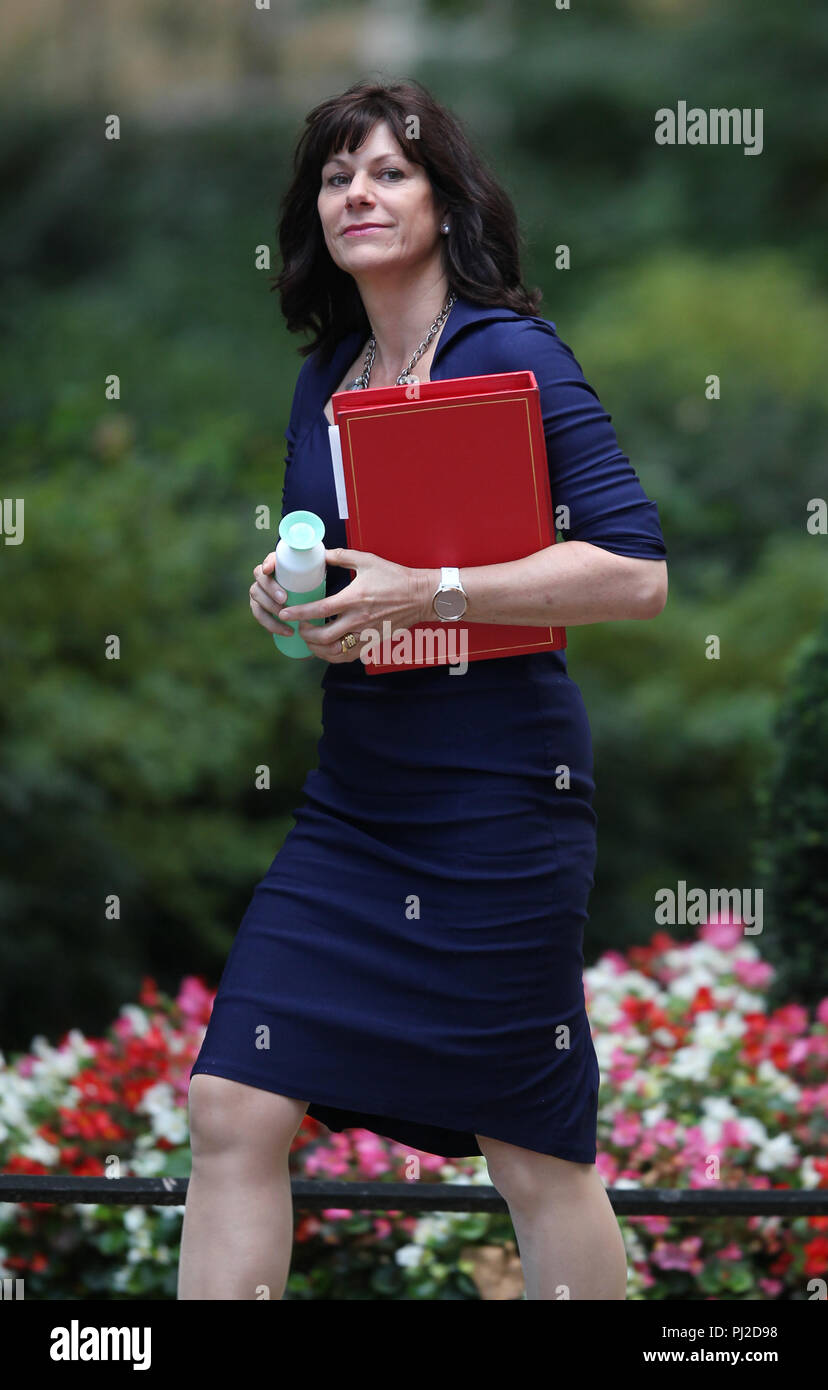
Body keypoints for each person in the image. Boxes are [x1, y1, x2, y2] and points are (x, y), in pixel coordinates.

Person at [179, 77, 668, 1302]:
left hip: (502, 791)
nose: (359, 193)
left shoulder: (513, 353)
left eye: (390, 171)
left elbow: (634, 573)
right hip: (361, 795)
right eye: (338, 176)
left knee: (530, 1148)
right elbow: (349, 581)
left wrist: (433, 590)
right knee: (233, 1102)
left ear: (446, 205)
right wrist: (295, 604)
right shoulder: (329, 374)